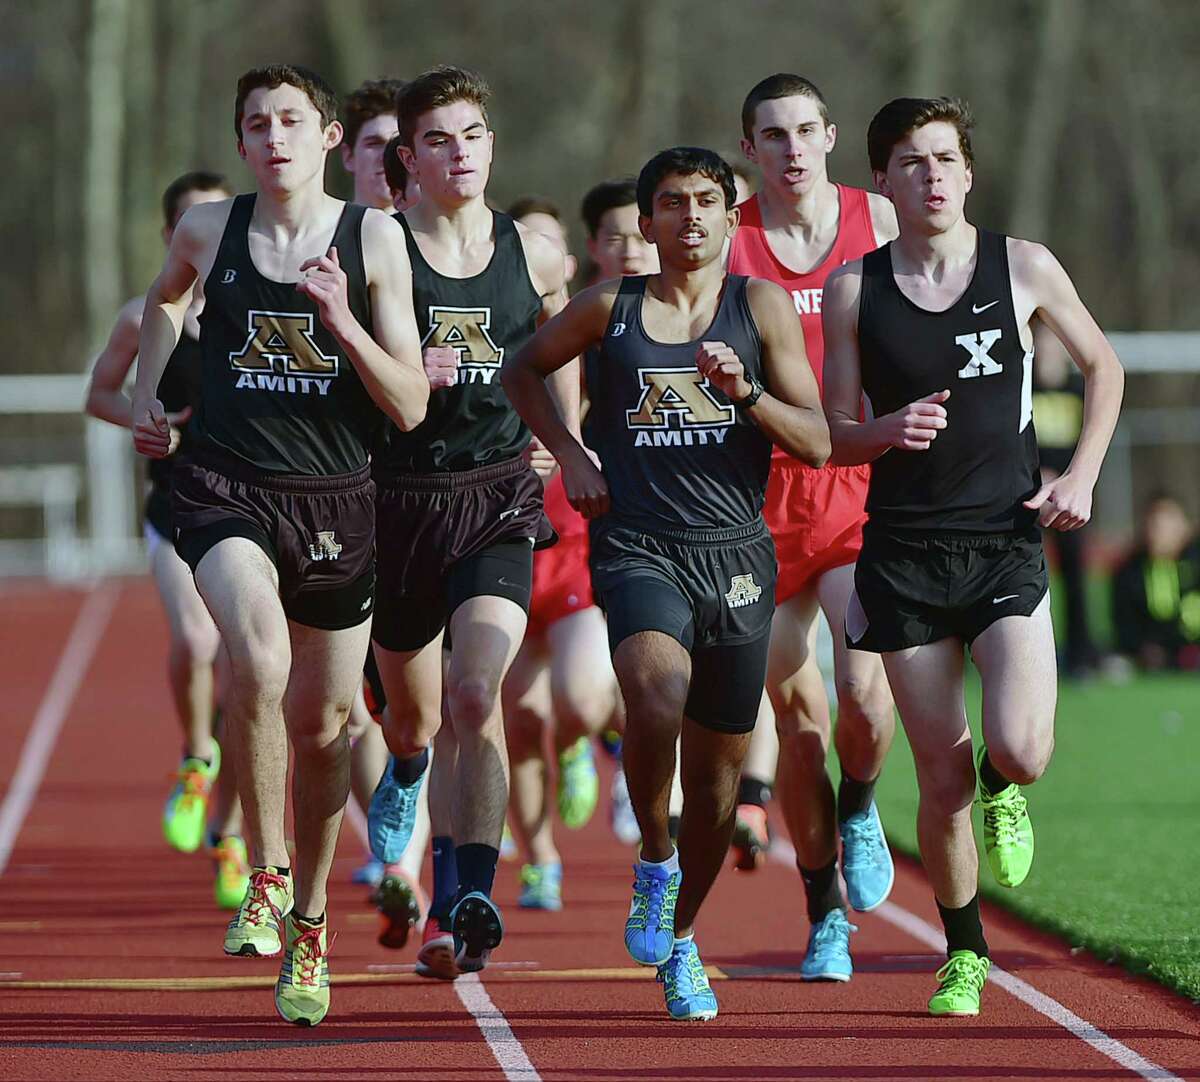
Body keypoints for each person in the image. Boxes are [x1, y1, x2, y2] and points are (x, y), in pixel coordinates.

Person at [131, 63, 428, 1026]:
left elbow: (412, 400)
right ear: (242, 142)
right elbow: (168, 300)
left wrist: (340, 318)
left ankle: (307, 922)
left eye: (291, 120)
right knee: (254, 660)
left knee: (324, 729)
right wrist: (147, 390)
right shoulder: (208, 230)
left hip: (339, 501)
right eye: (256, 123)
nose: (274, 136)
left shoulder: (375, 238)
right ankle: (261, 877)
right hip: (224, 485)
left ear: (330, 136)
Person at [504, 147, 830, 1020]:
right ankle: (654, 857)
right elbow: (521, 368)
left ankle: (683, 936)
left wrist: (747, 391)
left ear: (732, 218)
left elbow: (818, 439)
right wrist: (571, 453)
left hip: (735, 554)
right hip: (638, 544)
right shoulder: (609, 310)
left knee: (719, 785)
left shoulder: (757, 307)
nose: (691, 217)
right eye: (673, 203)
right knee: (653, 695)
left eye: (708, 202)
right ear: (644, 223)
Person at [822, 96, 1124, 1017]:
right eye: (912, 162)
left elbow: (1105, 368)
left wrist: (1080, 476)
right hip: (906, 551)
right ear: (883, 180)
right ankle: (964, 953)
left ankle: (1008, 787)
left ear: (969, 171)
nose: (933, 177)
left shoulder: (1023, 265)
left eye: (947, 159)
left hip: (1003, 540)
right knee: (938, 769)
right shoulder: (853, 289)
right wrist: (884, 428)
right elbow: (835, 431)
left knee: (1020, 750)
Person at [365, 66, 576, 976]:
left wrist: (559, 437)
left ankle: (469, 892)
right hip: (396, 499)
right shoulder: (380, 243)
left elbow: (563, 328)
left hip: (497, 497)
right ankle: (407, 775)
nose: (462, 154)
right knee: (415, 724)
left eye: (475, 135)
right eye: (440, 140)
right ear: (408, 156)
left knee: (476, 695)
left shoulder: (533, 251)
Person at [726, 72, 900, 980]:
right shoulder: (731, 239)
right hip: (755, 509)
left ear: (831, 135)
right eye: (772, 135)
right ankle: (824, 906)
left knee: (867, 698)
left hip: (854, 490)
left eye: (805, 130)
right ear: (748, 148)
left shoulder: (883, 223)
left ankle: (865, 803)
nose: (792, 149)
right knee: (798, 724)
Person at [85, 171, 249, 911]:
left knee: (254, 680)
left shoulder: (259, 312)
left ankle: (234, 834)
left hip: (253, 512)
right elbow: (100, 393)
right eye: (190, 223)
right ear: (170, 237)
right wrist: (150, 421)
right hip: (176, 508)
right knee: (199, 641)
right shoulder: (146, 314)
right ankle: (195, 759)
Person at [501, 196, 615, 911]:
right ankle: (539, 855)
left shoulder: (597, 335)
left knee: (580, 697)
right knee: (520, 722)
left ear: (566, 265)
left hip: (571, 545)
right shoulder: (496, 336)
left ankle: (580, 744)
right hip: (503, 545)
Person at [579, 177, 658, 845]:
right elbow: (529, 380)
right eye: (616, 238)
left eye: (641, 233)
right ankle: (611, 747)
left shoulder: (718, 310)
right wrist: (571, 451)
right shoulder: (585, 319)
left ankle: (642, 776)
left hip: (703, 522)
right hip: (608, 518)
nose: (631, 250)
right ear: (593, 247)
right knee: (620, 677)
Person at [1112, 492, 1200, 670]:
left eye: (1166, 525)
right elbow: (1125, 623)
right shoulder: (1131, 572)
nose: (1158, 532)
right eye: (1153, 525)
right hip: (1155, 657)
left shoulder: (1195, 563)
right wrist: (1140, 648)